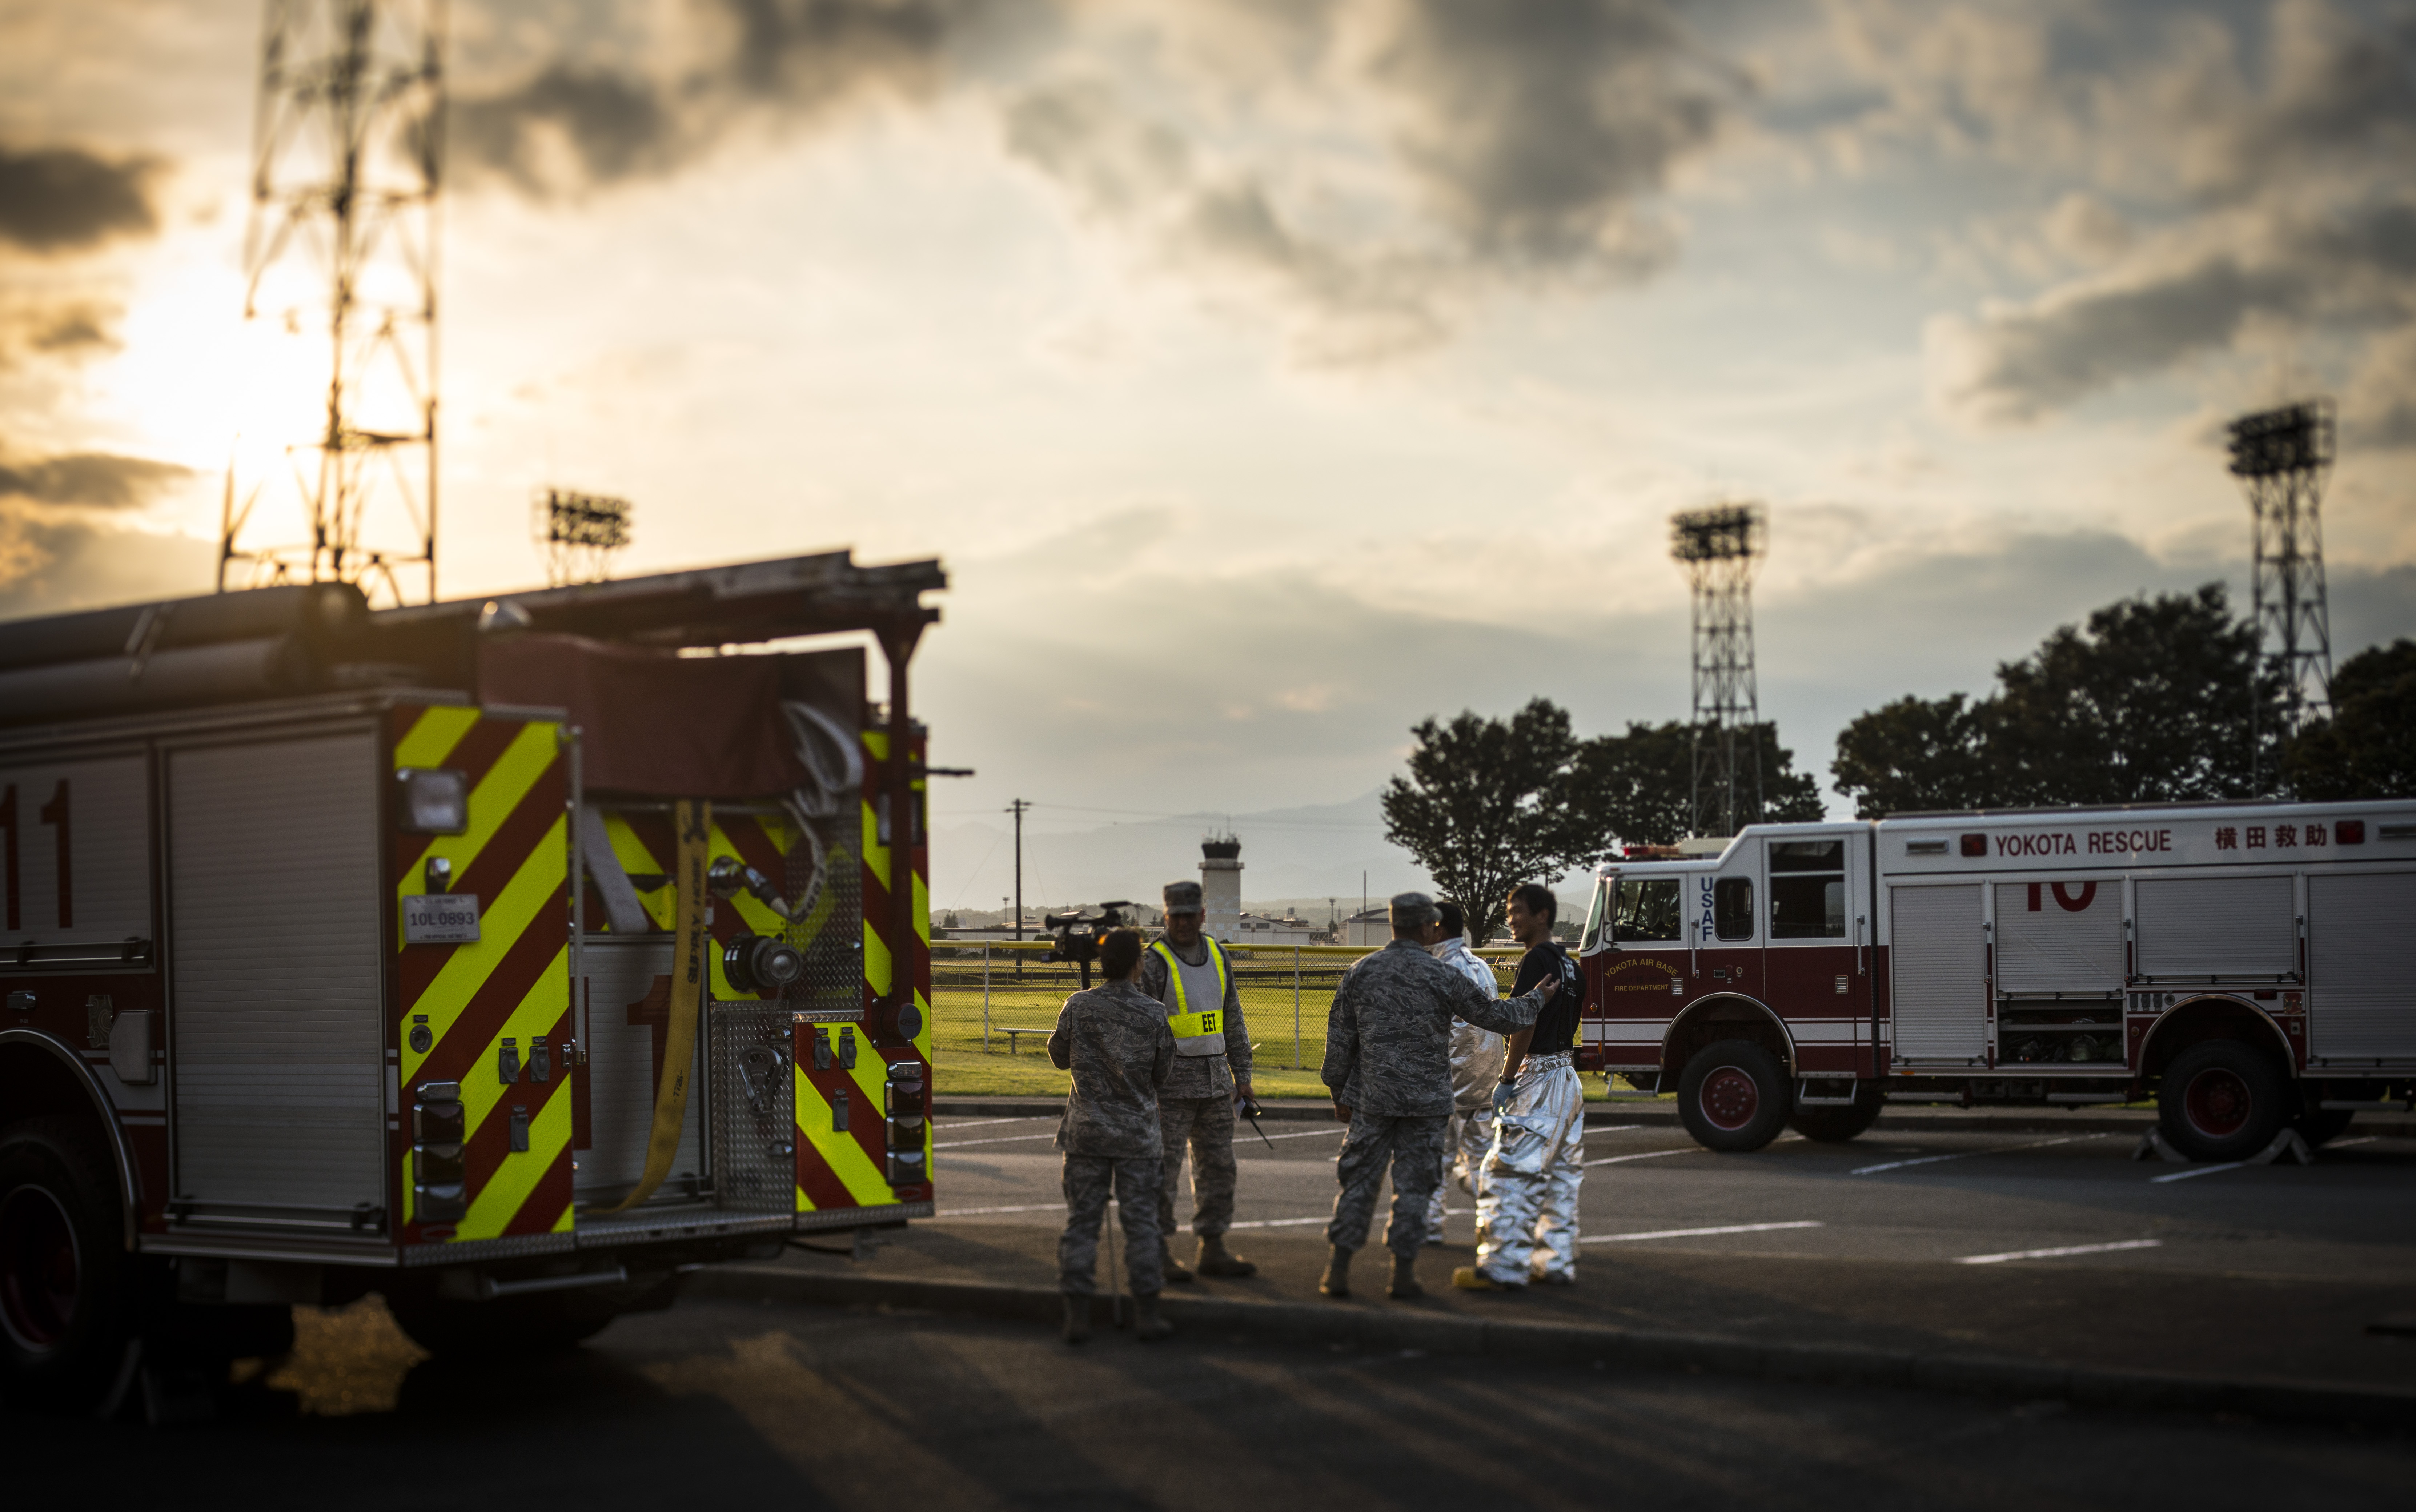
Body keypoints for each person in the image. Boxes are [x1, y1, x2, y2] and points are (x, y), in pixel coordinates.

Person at [1320, 891, 1557, 1301]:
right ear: (1427, 926)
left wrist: (1338, 1091)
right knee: (1414, 1188)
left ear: (1393, 925)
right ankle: (1403, 1274)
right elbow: (1497, 1018)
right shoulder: (1440, 974)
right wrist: (1538, 997)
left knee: (1358, 1181)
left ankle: (1338, 1270)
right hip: (1426, 1103)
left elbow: (1340, 1040)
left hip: (1374, 1100)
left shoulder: (1361, 972)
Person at [1456, 882, 1589, 1292]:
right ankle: (1554, 1260)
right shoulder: (1573, 967)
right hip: (1568, 1077)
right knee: (1561, 1174)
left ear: (1542, 916)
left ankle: (1503, 1266)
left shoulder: (1536, 960)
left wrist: (1508, 1078)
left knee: (1507, 1171)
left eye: (1516, 911)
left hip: (1538, 1078)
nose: (1510, 918)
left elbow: (1524, 1021)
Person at [1048, 926, 1177, 1343]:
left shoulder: (1078, 1005)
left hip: (1086, 1134)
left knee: (1081, 1223)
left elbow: (1057, 1056)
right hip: (1137, 1137)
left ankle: (1077, 1314)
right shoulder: (1154, 1013)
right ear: (1139, 964)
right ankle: (1148, 1312)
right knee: (1142, 1225)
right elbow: (1163, 1073)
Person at [1138, 880, 1258, 1281]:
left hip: (1215, 1083)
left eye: (1192, 914)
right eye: (1177, 916)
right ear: (1166, 916)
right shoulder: (1153, 962)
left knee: (1219, 1168)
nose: (1185, 922)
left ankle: (1213, 1246)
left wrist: (1243, 1077)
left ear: (1203, 915)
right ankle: (1156, 1251)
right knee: (1162, 1172)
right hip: (1169, 1089)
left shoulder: (1218, 956)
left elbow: (1232, 1019)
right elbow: (1141, 1030)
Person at [1422, 898, 1506, 1246]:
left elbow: (1437, 1033)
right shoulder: (1482, 967)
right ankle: (1499, 1226)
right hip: (1485, 1083)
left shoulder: (1437, 970)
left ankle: (1428, 1229)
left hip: (1448, 1086)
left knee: (1433, 1163)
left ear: (1438, 927)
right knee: (1480, 1166)